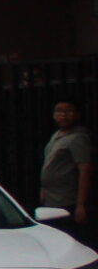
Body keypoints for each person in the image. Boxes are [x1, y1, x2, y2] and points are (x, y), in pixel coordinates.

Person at [41, 100, 96, 237]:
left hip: (67, 200)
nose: (63, 115)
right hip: (51, 199)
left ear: (77, 114)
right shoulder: (56, 136)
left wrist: (81, 204)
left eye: (68, 111)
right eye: (59, 111)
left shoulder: (78, 138)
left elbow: (85, 169)